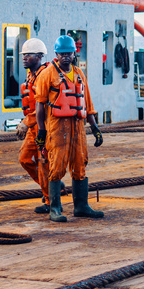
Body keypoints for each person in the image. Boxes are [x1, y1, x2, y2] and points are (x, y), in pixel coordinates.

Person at [34, 35, 105, 222]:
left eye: (69, 53)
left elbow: (87, 103)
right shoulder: (47, 74)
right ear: (57, 54)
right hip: (58, 127)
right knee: (56, 165)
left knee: (80, 163)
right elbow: (40, 105)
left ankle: (81, 206)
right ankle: (55, 208)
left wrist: (95, 128)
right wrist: (42, 131)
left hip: (78, 127)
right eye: (62, 53)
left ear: (75, 53)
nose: (66, 57)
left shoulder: (79, 74)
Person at [16, 38, 51, 214]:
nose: (24, 58)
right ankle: (53, 185)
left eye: (28, 55)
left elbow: (43, 107)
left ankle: (50, 200)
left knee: (43, 163)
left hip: (43, 128)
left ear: (39, 56)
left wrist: (25, 123)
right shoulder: (32, 75)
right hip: (33, 127)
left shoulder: (45, 77)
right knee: (24, 158)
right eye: (24, 55)